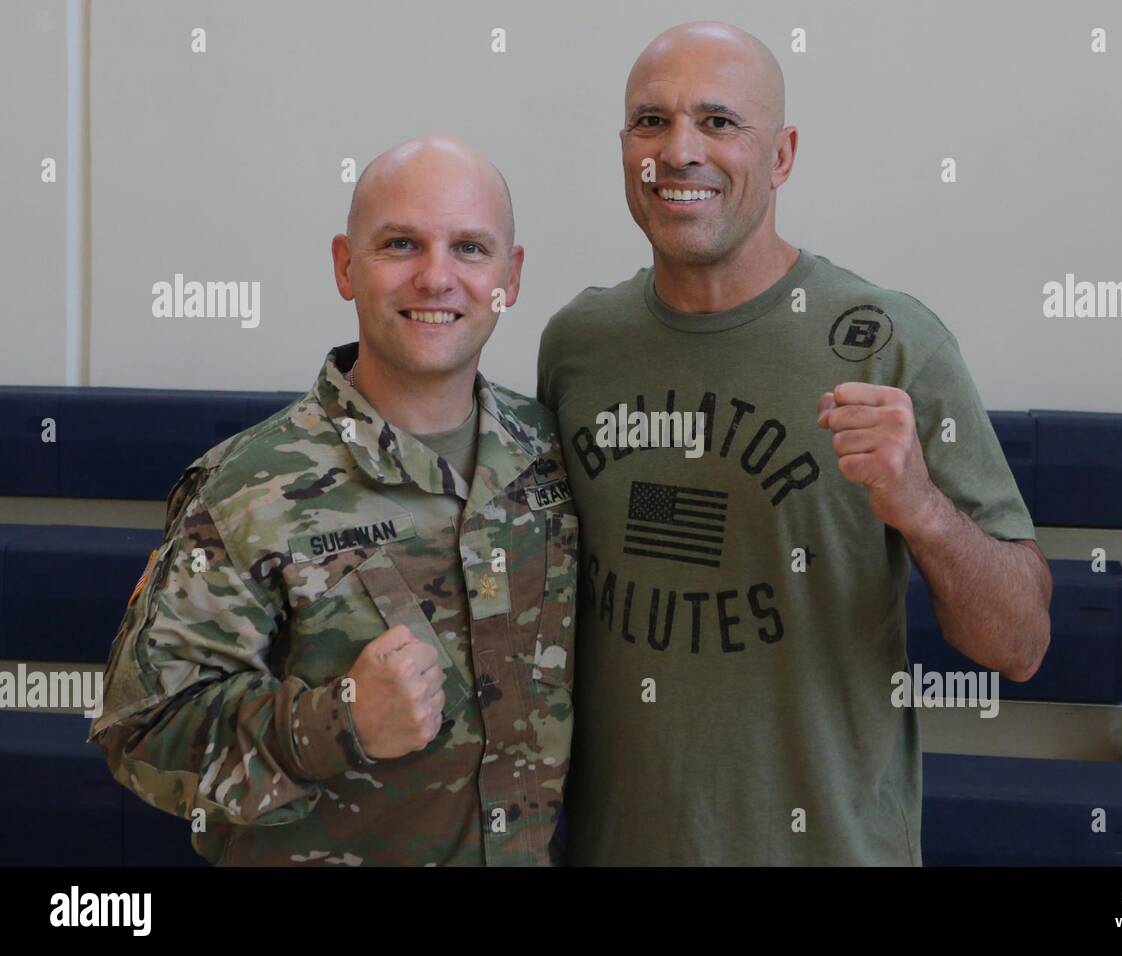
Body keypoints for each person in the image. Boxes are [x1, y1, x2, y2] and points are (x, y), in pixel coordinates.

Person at [537, 22, 1052, 865]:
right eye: (651, 122)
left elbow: (1021, 644)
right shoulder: (578, 345)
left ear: (782, 156)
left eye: (719, 122)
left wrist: (921, 509)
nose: (681, 150)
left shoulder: (893, 342)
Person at [91, 135, 579, 866]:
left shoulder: (553, 454)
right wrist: (338, 720)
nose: (436, 277)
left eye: (470, 249)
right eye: (401, 244)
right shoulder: (248, 488)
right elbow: (141, 735)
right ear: (346, 268)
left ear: (510, 277)